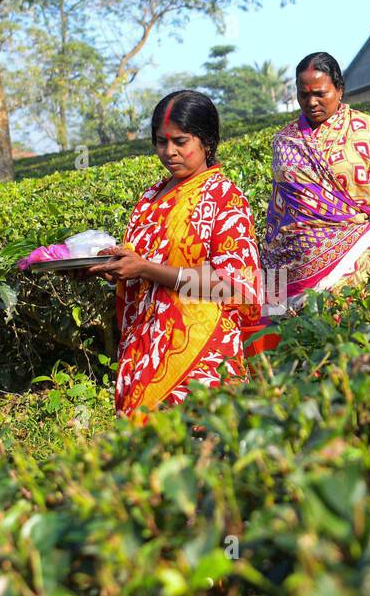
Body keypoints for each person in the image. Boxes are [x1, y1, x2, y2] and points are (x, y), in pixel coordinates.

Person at [91, 90, 261, 417]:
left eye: (180, 141)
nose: (169, 152)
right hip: (143, 351)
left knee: (198, 454)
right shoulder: (150, 197)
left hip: (201, 356)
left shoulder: (224, 198)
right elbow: (140, 265)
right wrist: (113, 265)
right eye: (160, 142)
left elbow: (235, 286)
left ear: (207, 142)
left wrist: (146, 270)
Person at [259, 52, 370, 317]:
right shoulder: (285, 141)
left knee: (349, 327)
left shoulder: (365, 129)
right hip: (293, 260)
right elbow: (278, 210)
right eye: (303, 94)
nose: (311, 102)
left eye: (320, 93)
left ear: (340, 90)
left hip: (355, 253)